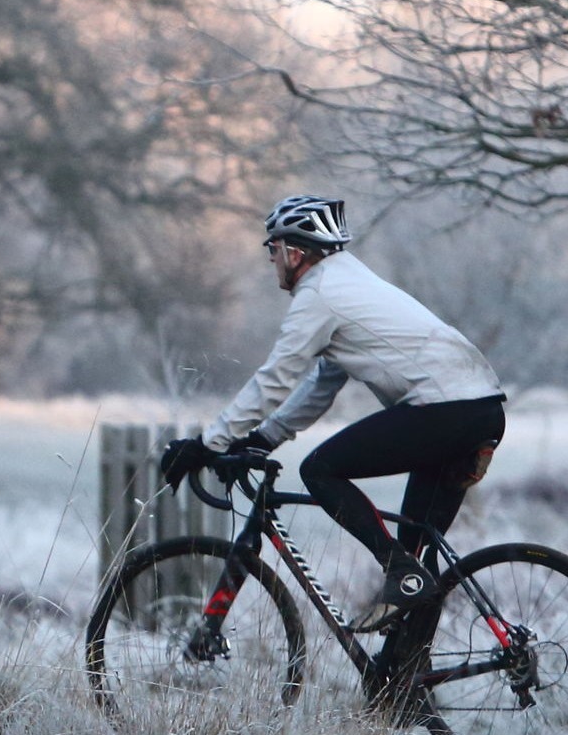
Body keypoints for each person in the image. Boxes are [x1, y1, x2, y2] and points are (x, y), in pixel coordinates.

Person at [158, 196, 504, 621]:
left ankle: (398, 568)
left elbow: (276, 377)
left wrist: (209, 443)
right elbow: (323, 382)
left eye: (273, 249)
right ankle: (405, 682)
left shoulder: (319, 294)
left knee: (320, 470)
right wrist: (265, 437)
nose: (272, 260)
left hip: (445, 410)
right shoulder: (348, 281)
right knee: (418, 563)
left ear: (294, 251)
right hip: (479, 410)